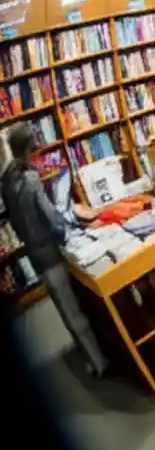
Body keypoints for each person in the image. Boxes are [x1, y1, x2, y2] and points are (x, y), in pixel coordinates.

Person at [1, 123, 109, 376]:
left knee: (65, 307)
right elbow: (50, 216)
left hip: (34, 251)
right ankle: (99, 362)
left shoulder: (7, 181)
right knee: (74, 308)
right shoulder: (29, 179)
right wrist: (68, 228)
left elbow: (17, 222)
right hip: (49, 249)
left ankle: (91, 356)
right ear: (29, 147)